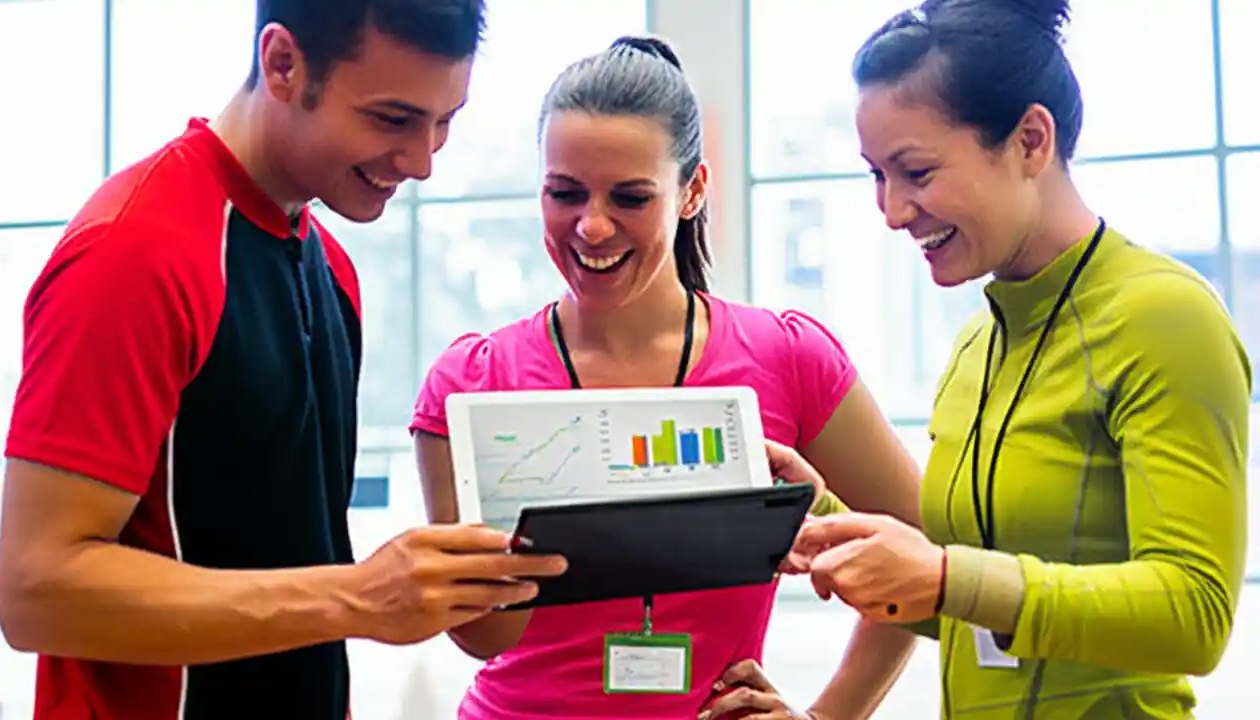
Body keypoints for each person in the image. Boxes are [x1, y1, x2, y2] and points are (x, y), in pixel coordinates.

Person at [0, 2, 566, 719]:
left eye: (443, 120)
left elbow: (290, 579)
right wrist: (358, 596)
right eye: (392, 119)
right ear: (283, 64)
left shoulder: (332, 271)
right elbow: (34, 591)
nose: (422, 161)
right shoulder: (133, 256)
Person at [703, 1, 1251, 719]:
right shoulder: (975, 345)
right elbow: (974, 615)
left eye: (917, 171)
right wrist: (825, 522)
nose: (893, 210)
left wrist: (941, 574)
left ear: (1030, 140)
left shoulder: (1165, 318)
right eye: (876, 176)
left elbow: (1195, 614)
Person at [410, 35, 922, 720]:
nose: (592, 226)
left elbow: (925, 566)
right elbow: (479, 637)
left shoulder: (787, 359)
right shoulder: (471, 382)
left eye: (630, 197)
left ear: (692, 192)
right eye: (565, 193)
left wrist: (829, 717)